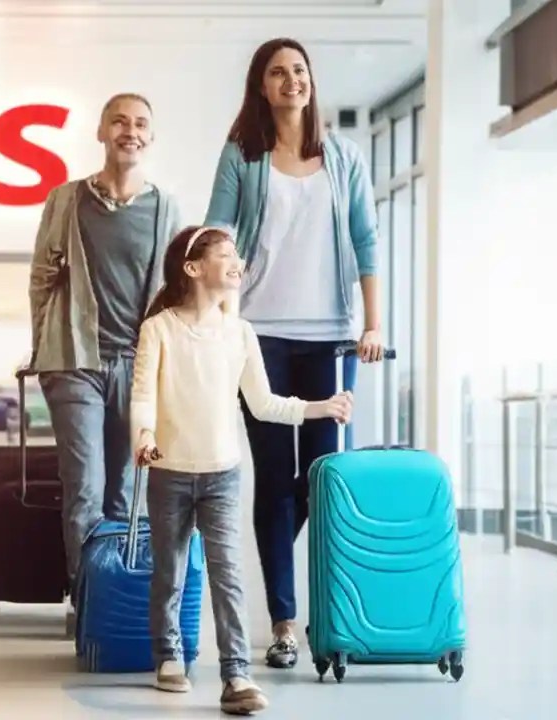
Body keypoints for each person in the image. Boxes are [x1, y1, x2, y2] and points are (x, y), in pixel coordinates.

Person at [204, 37, 386, 670]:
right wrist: (219, 321)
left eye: (299, 70)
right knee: (274, 478)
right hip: (258, 333)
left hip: (329, 336)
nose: (292, 81)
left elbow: (367, 240)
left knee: (320, 481)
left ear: (312, 81)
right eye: (278, 72)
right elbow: (217, 237)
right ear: (262, 86)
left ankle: (297, 580)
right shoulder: (243, 156)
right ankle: (285, 621)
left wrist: (373, 324)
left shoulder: (345, 157)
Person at [131, 225, 353, 714]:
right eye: (226, 255)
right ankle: (168, 654)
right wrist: (143, 435)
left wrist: (322, 408)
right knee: (169, 572)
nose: (238, 263)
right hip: (168, 470)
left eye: (238, 256)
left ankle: (236, 676)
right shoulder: (160, 329)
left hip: (223, 475)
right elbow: (143, 394)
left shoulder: (241, 333)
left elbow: (264, 403)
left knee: (228, 574)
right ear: (193, 268)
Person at [27, 92, 183, 588]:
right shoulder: (67, 200)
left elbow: (178, 292)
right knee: (85, 489)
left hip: (138, 367)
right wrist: (43, 347)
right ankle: (87, 598)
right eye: (118, 121)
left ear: (151, 137)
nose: (129, 131)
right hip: (75, 363)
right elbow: (41, 279)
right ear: (101, 131)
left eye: (140, 123)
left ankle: (117, 592)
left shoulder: (166, 209)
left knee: (126, 492)